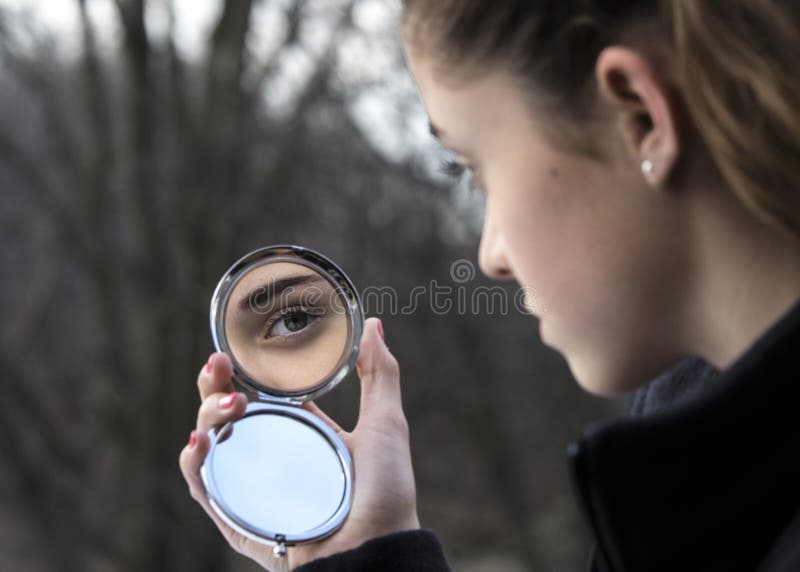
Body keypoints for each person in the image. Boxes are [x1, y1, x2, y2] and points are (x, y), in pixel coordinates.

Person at [179, 0, 800, 570]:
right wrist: (365, 551)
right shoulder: (693, 466)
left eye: (475, 170)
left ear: (639, 115)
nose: (490, 256)